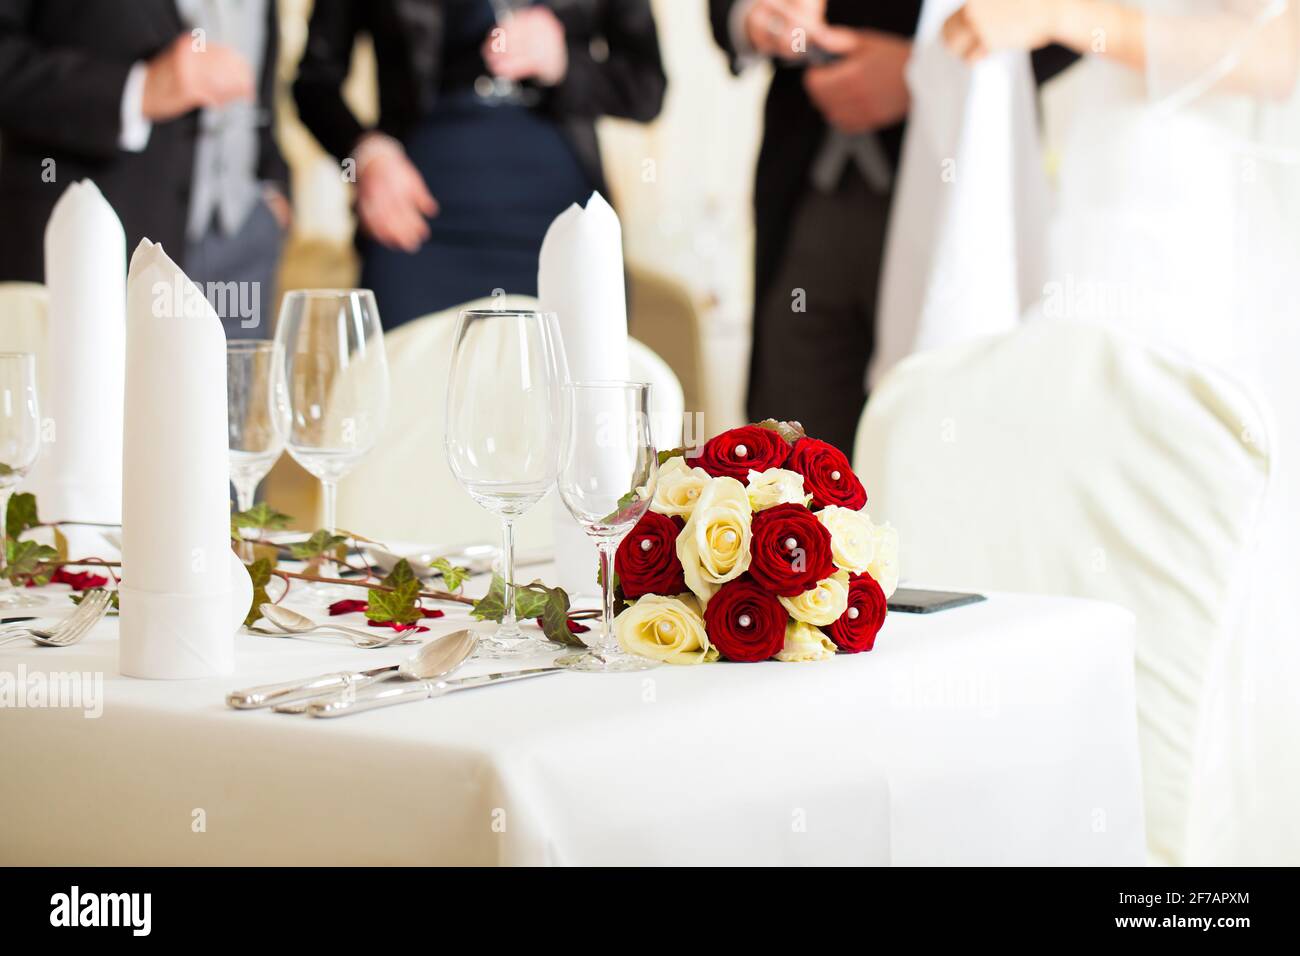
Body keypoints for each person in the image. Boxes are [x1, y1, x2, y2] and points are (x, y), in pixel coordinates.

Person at [923, 0, 1300, 863]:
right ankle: (1081, 803)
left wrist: (1056, 17)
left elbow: (1278, 49)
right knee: (1076, 521)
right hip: (1099, 204)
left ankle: (1186, 835)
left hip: (1192, 231)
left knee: (1179, 527)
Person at [709, 0, 1076, 456]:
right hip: (805, 189)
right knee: (788, 463)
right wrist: (757, 16)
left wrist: (925, 71)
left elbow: (1078, 17)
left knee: (938, 443)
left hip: (959, 184)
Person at [293, 0, 666, 329]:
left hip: (559, 225)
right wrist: (364, 154)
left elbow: (648, 89)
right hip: (416, 224)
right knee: (400, 395)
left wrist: (564, 63)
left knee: (573, 398)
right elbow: (314, 82)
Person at [0, 0, 289, 338]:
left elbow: (260, 78)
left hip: (241, 238)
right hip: (97, 243)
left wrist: (273, 184)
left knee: (241, 388)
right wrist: (138, 90)